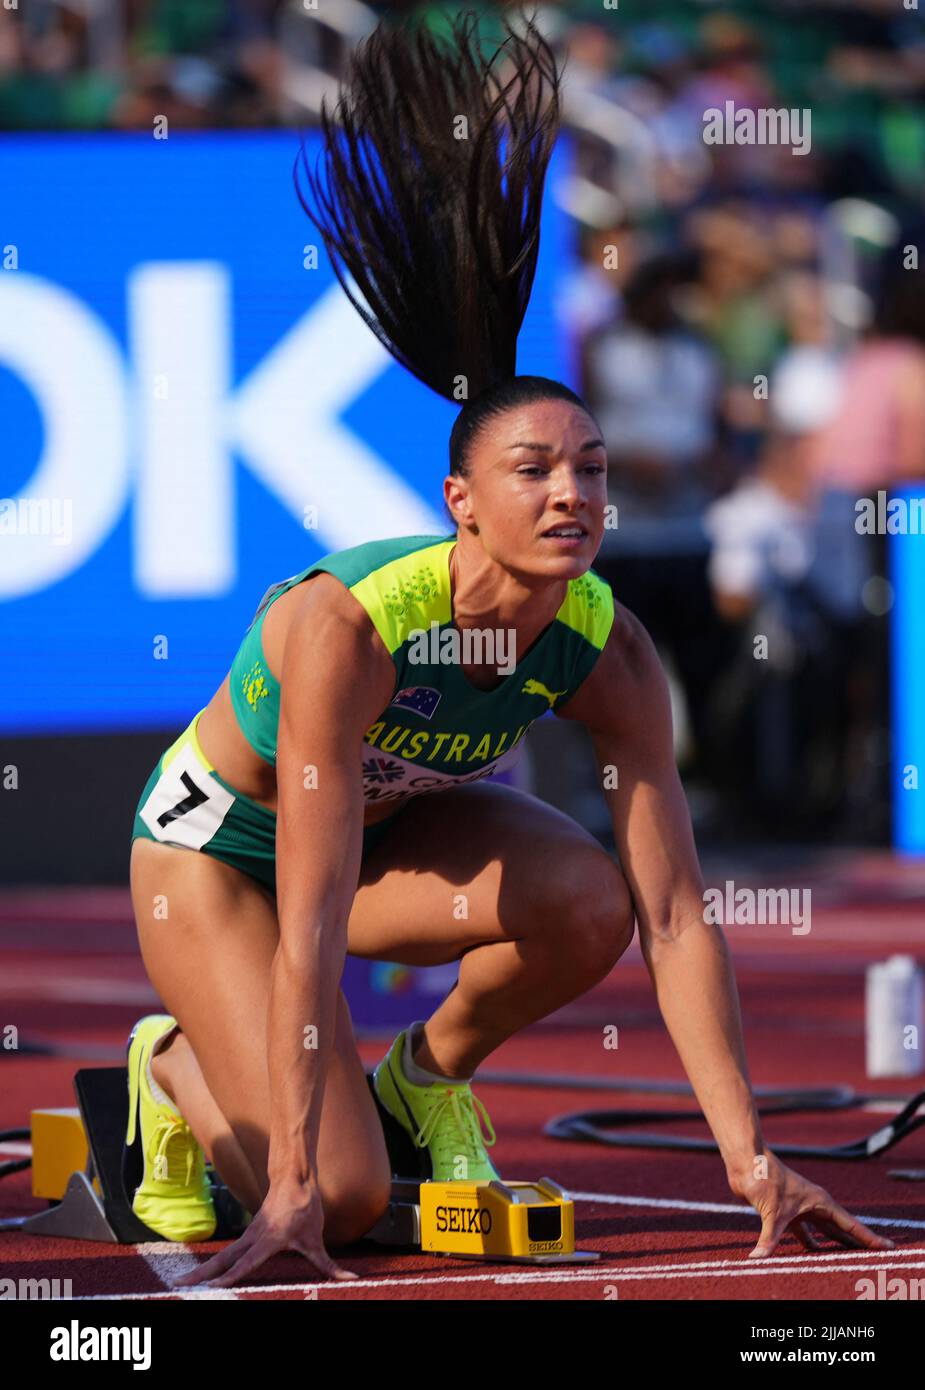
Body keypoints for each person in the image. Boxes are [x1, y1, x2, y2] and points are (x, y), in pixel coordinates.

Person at [124, 13, 891, 1290]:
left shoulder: (610, 648)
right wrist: (302, 1178)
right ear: (459, 502)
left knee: (589, 895)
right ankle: (174, 1059)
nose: (571, 496)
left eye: (589, 470)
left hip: (369, 851)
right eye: (532, 471)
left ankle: (425, 1079)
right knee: (357, 1200)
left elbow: (675, 914)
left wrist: (753, 1158)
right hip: (217, 867)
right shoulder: (352, 628)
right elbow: (308, 911)